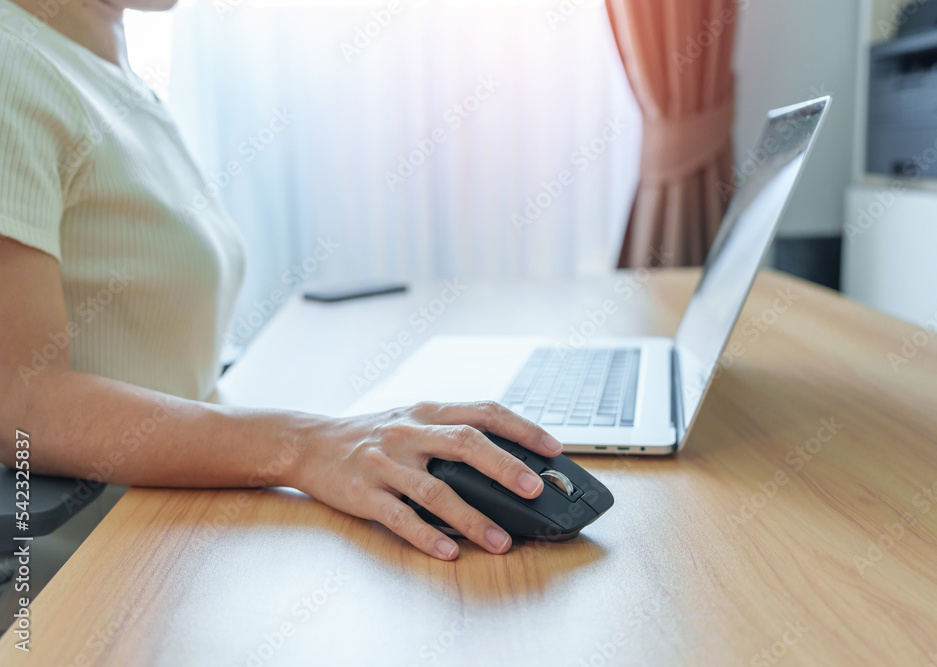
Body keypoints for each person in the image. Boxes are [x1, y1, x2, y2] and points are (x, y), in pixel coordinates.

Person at [0, 0, 563, 561]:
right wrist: (307, 446)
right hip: (103, 561)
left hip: (190, 511)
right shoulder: (13, 67)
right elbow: (20, 402)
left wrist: (323, 433)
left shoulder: (103, 64)